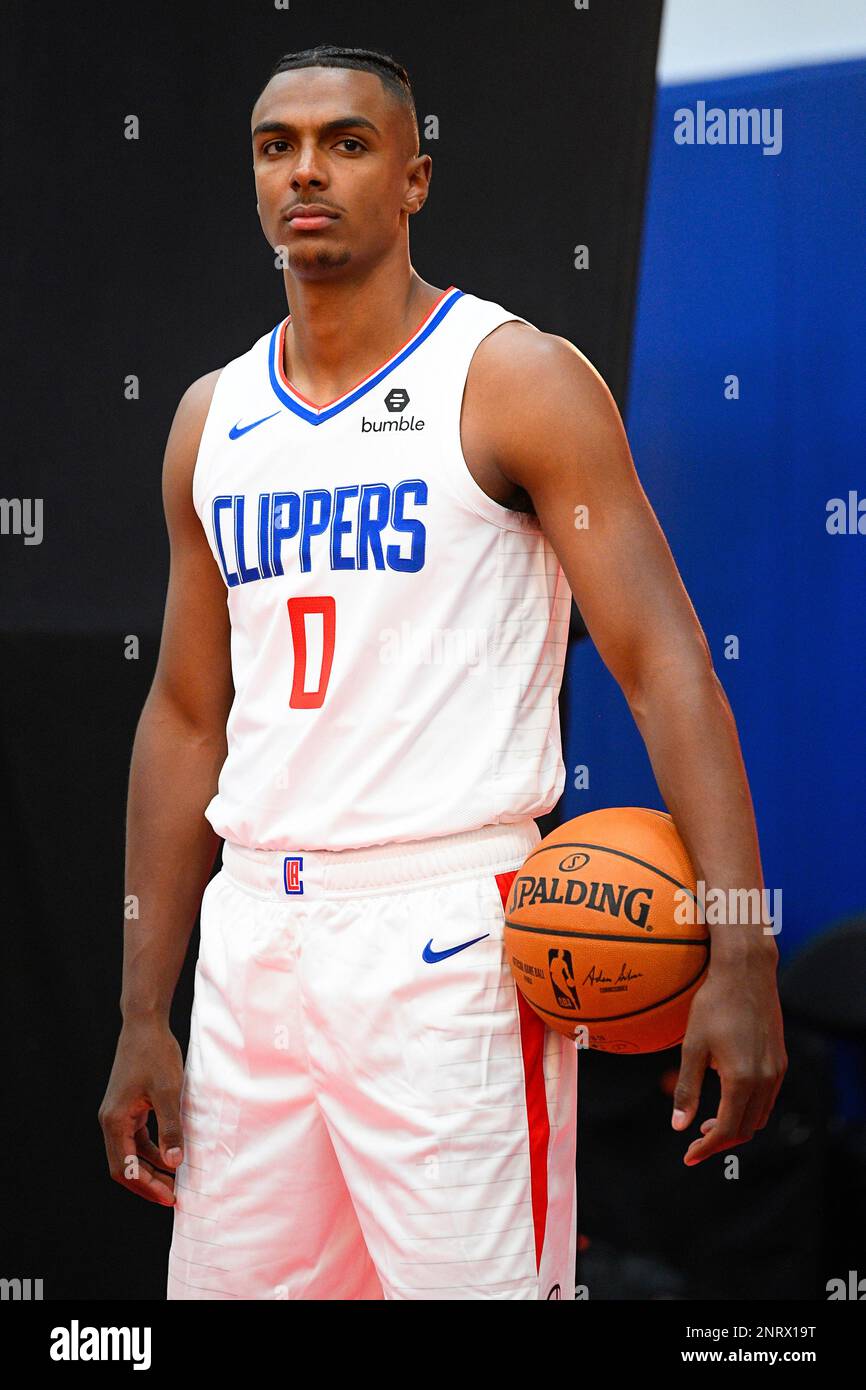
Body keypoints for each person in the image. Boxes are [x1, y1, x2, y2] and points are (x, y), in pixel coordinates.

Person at [98, 43, 786, 1301]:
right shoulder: (210, 417)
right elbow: (189, 712)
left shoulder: (512, 378)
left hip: (446, 943)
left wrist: (741, 950)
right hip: (253, 941)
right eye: (277, 145)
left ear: (412, 180)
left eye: (346, 143)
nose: (307, 169)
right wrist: (148, 1005)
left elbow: (666, 663)